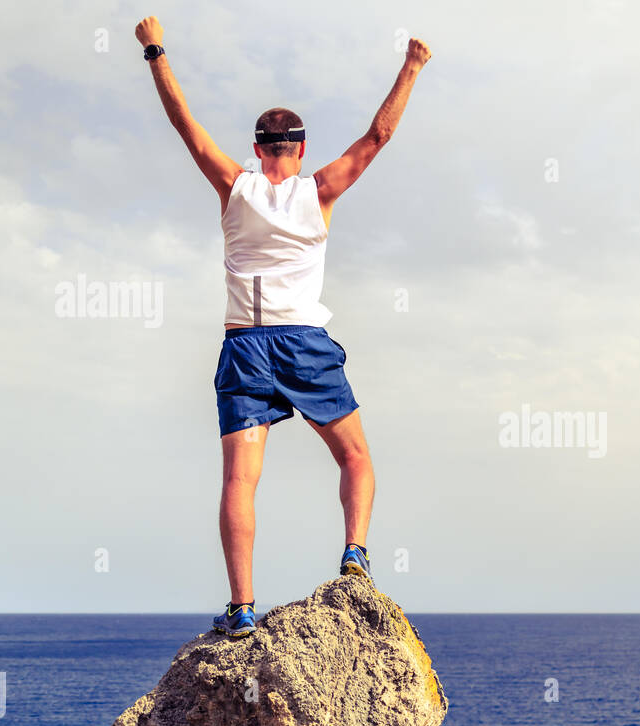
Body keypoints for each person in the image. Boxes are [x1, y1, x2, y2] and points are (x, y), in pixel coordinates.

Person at [134, 15, 431, 636]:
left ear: (258, 146)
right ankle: (354, 556)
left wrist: (155, 50)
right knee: (354, 457)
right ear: (298, 148)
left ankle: (242, 609)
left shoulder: (233, 186)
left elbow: (184, 124)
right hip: (304, 343)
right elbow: (377, 136)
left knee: (241, 479)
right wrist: (411, 66)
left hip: (245, 345)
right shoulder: (319, 189)